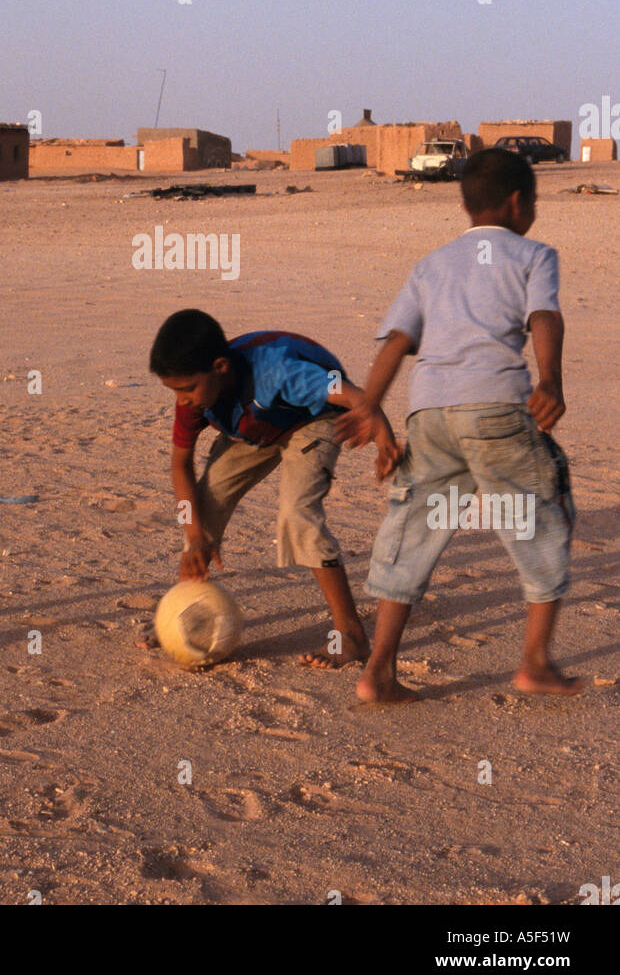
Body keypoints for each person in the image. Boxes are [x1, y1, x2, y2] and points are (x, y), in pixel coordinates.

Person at [335, 147, 579, 702]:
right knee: (542, 519)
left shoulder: (432, 264)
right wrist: (550, 381)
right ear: (519, 203)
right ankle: (536, 662)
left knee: (413, 529)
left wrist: (371, 403)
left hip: (430, 414)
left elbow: (397, 340)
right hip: (495, 409)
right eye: (533, 201)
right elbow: (544, 315)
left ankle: (378, 670)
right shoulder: (534, 255)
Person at [149, 309, 402, 668]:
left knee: (298, 515)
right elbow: (180, 464)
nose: (183, 400)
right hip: (256, 428)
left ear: (220, 367)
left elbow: (354, 396)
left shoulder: (278, 370)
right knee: (201, 513)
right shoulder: (192, 400)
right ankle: (182, 615)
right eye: (175, 391)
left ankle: (352, 635)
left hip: (313, 419)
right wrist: (194, 538)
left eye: (188, 388)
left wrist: (384, 439)